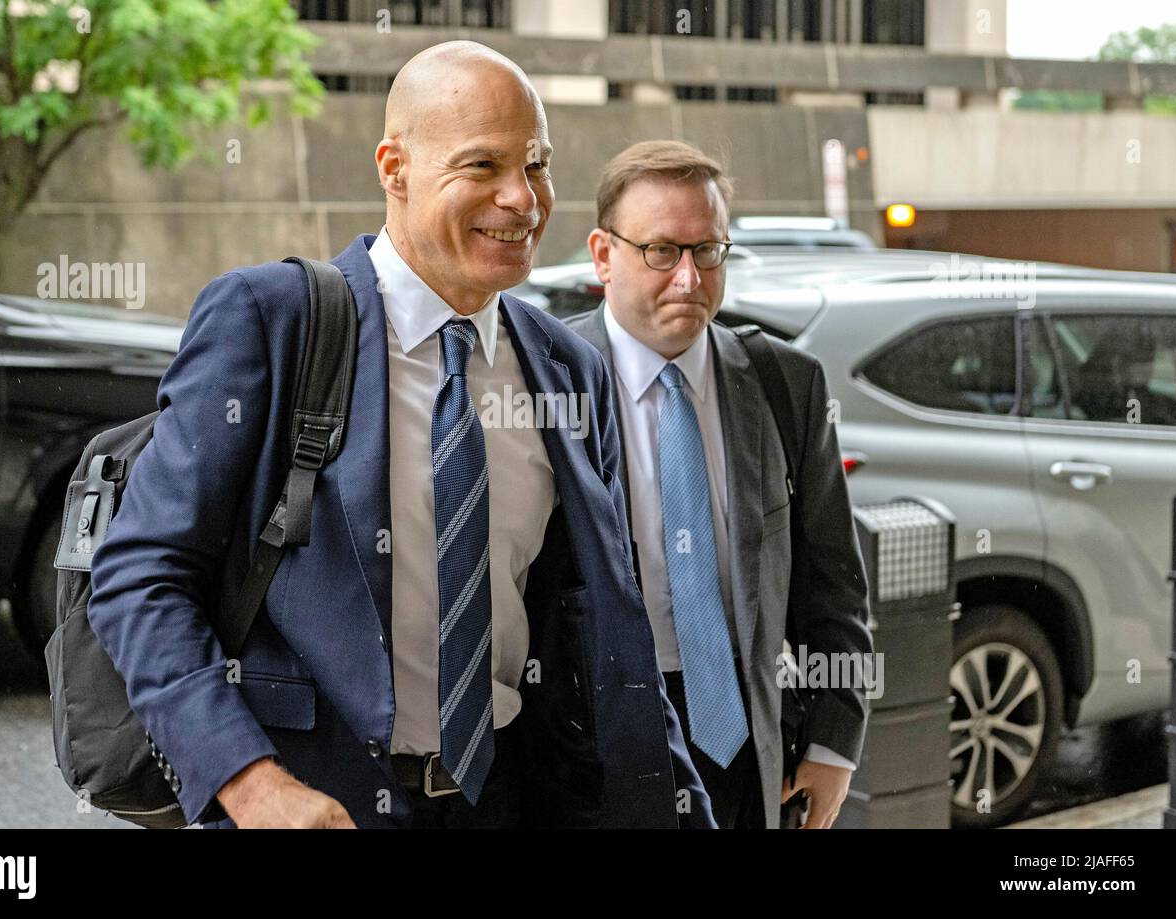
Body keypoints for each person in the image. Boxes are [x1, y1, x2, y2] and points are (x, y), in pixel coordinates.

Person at [86, 43, 713, 829]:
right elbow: (138, 577)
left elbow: (611, 629)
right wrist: (250, 784)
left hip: (510, 802)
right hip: (315, 806)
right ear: (395, 168)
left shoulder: (568, 370)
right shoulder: (273, 321)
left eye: (537, 165)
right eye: (482, 165)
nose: (523, 199)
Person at [566, 140, 873, 828]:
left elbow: (834, 588)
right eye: (661, 250)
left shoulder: (784, 385)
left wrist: (832, 740)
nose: (688, 277)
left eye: (707, 251)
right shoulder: (548, 378)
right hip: (599, 744)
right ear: (602, 254)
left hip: (744, 737)